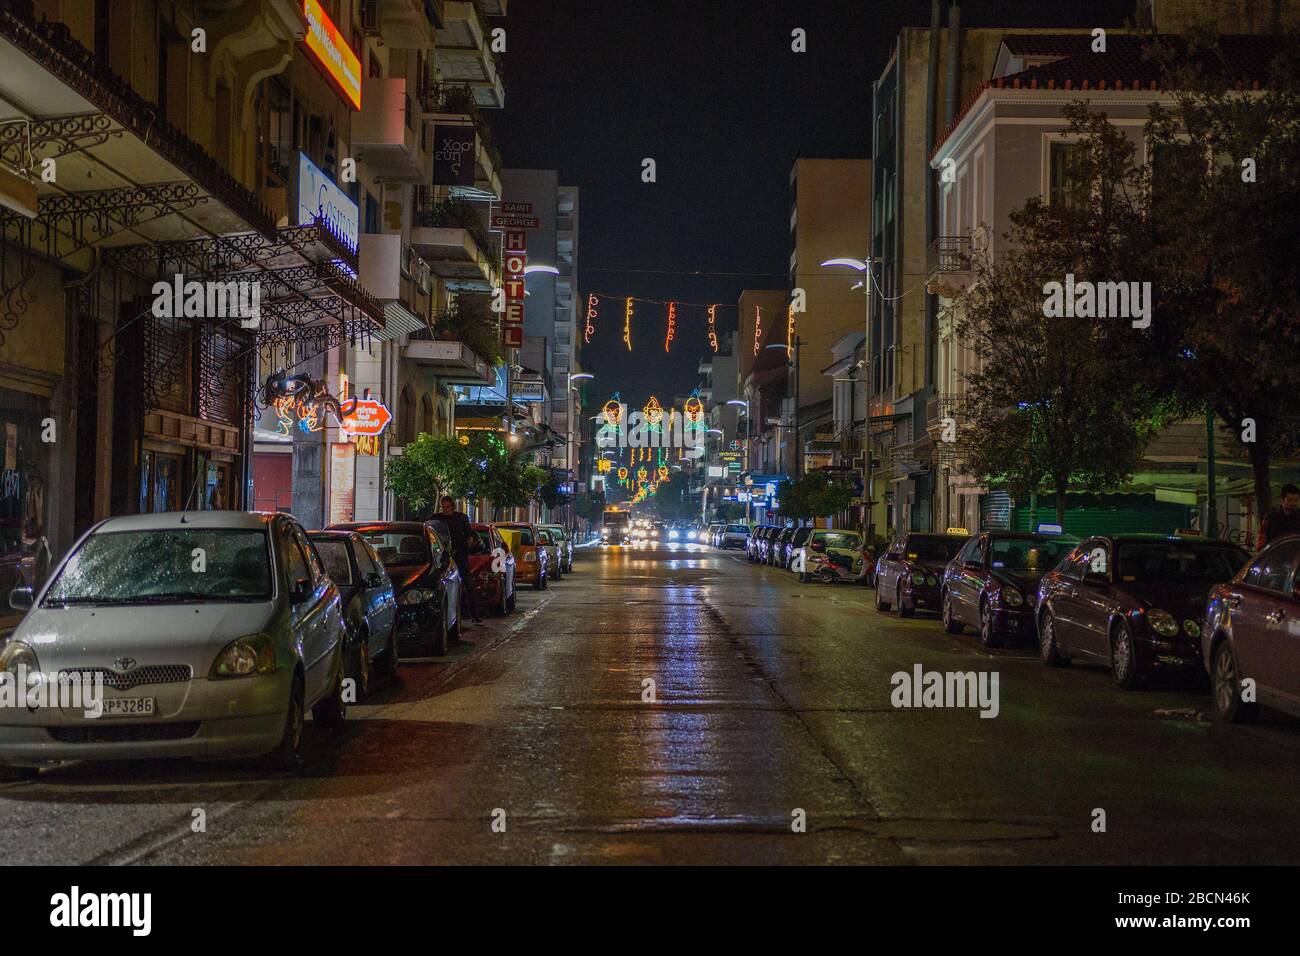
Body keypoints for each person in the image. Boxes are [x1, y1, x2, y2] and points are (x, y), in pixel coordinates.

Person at [439, 495, 481, 624]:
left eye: (448, 507)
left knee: (468, 584)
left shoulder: (461, 518)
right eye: (443, 507)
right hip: (444, 558)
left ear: (452, 506)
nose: (445, 510)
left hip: (460, 557)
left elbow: (469, 535)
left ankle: (474, 614)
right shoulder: (438, 519)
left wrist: (467, 544)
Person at [1257, 483, 1300, 550]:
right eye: (1290, 500)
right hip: (1275, 557)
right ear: (1282, 500)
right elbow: (1261, 543)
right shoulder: (1270, 519)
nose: (1293, 503)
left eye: (1296, 500)